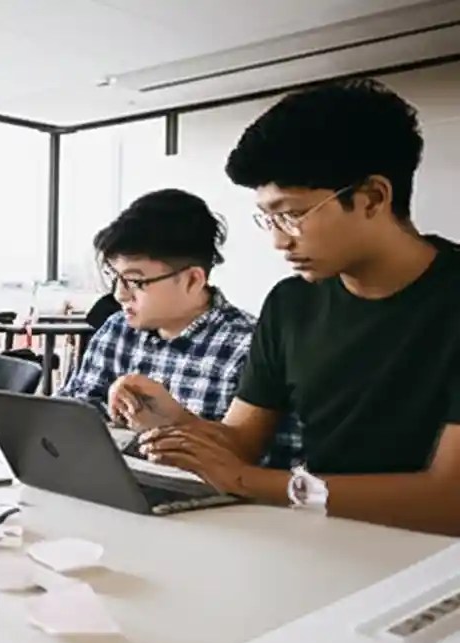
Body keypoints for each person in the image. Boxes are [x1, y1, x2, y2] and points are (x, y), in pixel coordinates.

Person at [114, 79, 460, 536]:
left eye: (292, 214)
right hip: (319, 539)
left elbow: (448, 500)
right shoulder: (291, 302)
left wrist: (247, 481)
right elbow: (242, 441)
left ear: (374, 197)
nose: (279, 239)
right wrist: (174, 422)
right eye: (268, 218)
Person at [56, 189, 301, 467]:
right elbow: (70, 408)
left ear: (193, 281)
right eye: (116, 277)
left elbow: (278, 464)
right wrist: (106, 410)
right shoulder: (118, 329)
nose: (120, 294)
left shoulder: (248, 347)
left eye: (136, 282)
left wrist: (178, 423)